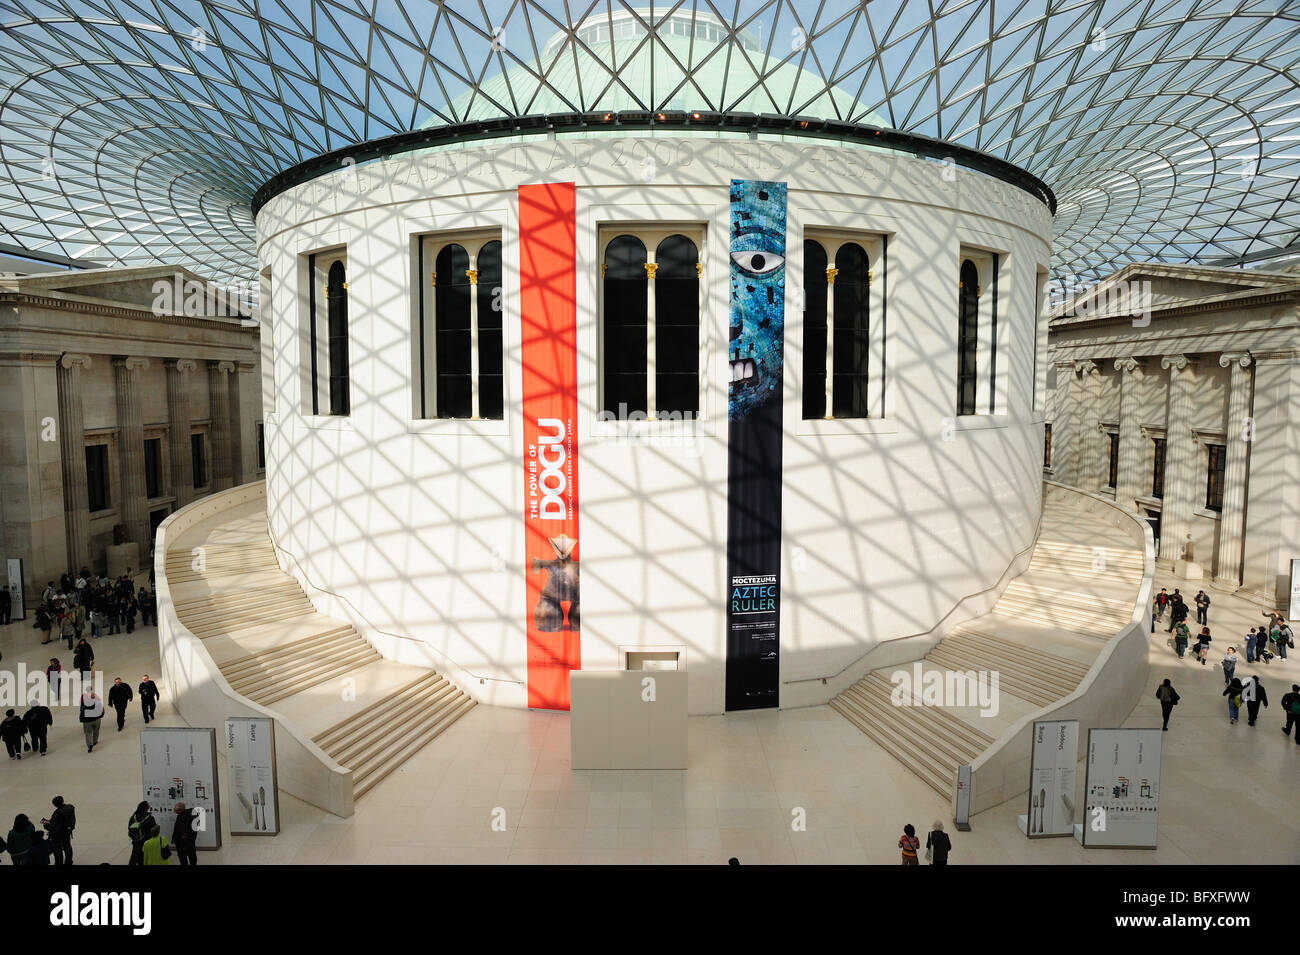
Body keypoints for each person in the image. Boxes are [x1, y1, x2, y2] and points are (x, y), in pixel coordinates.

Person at [42, 796, 74, 865]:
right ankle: (69, 861)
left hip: (58, 835)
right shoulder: (69, 808)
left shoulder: (57, 813)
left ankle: (59, 863)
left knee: (57, 850)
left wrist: (45, 824)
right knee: (67, 846)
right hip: (67, 831)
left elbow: (52, 826)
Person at [79, 686, 104, 753]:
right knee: (96, 730)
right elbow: (101, 708)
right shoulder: (97, 700)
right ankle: (95, 741)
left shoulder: (83, 698)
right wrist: (101, 715)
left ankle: (90, 745)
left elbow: (81, 707)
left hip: (87, 720)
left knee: (88, 733)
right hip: (96, 719)